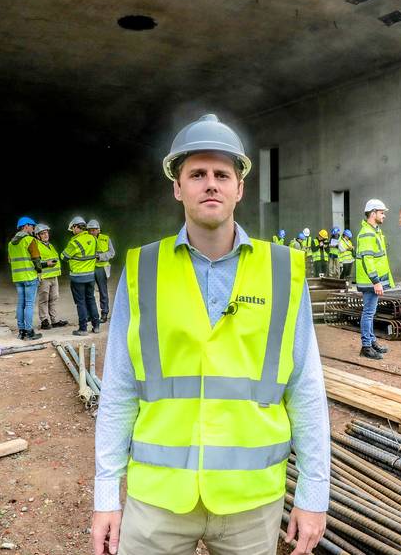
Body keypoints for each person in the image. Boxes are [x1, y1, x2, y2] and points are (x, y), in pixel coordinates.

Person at [91, 114, 328, 555]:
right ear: (177, 187)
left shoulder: (283, 271)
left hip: (251, 501)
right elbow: (119, 387)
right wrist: (106, 493)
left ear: (240, 188)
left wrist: (314, 495)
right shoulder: (143, 269)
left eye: (222, 174)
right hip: (158, 498)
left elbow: (306, 390)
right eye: (197, 174)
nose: (211, 184)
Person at [355, 199, 393, 360]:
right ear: (373, 214)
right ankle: (366, 346)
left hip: (372, 280)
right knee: (368, 313)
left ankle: (371, 341)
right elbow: (367, 259)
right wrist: (376, 281)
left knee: (371, 312)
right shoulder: (367, 234)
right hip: (370, 281)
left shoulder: (374, 231)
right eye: (381, 212)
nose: (384, 216)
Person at [63, 216, 101, 335]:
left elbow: (64, 256)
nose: (72, 231)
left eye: (72, 228)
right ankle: (96, 326)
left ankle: (83, 329)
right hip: (90, 276)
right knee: (91, 300)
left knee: (81, 302)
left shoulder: (74, 242)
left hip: (78, 277)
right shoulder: (93, 238)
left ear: (76, 227)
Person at [8, 216, 42, 340]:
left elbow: (10, 261)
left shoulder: (11, 243)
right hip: (29, 277)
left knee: (20, 303)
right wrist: (39, 271)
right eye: (32, 226)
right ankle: (29, 331)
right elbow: (36, 259)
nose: (33, 229)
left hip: (18, 278)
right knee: (29, 304)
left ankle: (21, 331)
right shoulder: (29, 240)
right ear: (26, 226)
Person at [34, 223, 69, 331]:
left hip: (54, 276)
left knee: (54, 298)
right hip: (44, 276)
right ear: (37, 236)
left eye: (46, 232)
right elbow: (34, 262)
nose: (46, 235)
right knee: (43, 299)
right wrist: (46, 264)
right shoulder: (35, 246)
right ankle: (44, 321)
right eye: (43, 233)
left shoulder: (50, 245)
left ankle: (54, 321)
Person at [89, 219, 116, 323]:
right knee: (89, 292)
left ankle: (104, 313)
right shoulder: (86, 239)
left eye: (93, 230)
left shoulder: (106, 239)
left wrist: (100, 256)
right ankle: (90, 315)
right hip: (89, 268)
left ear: (98, 230)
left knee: (103, 291)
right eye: (90, 230)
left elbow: (112, 253)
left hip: (102, 268)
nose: (91, 232)